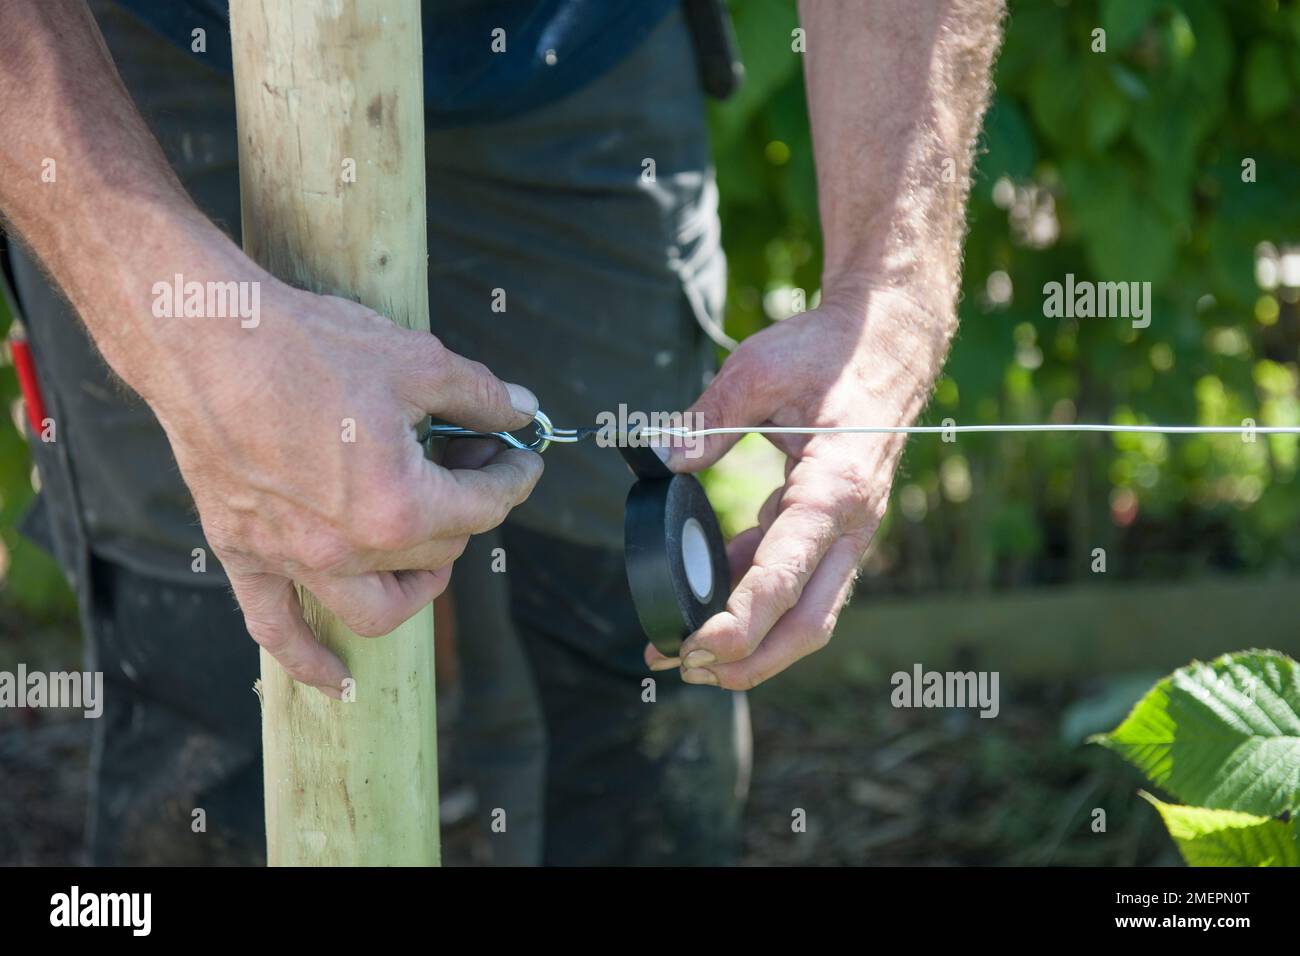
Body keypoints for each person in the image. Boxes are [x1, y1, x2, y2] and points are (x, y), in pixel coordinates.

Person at [0, 0, 1005, 865]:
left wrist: (885, 289)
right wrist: (175, 322)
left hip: (569, 51)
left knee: (635, 682)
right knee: (212, 692)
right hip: (131, 68)